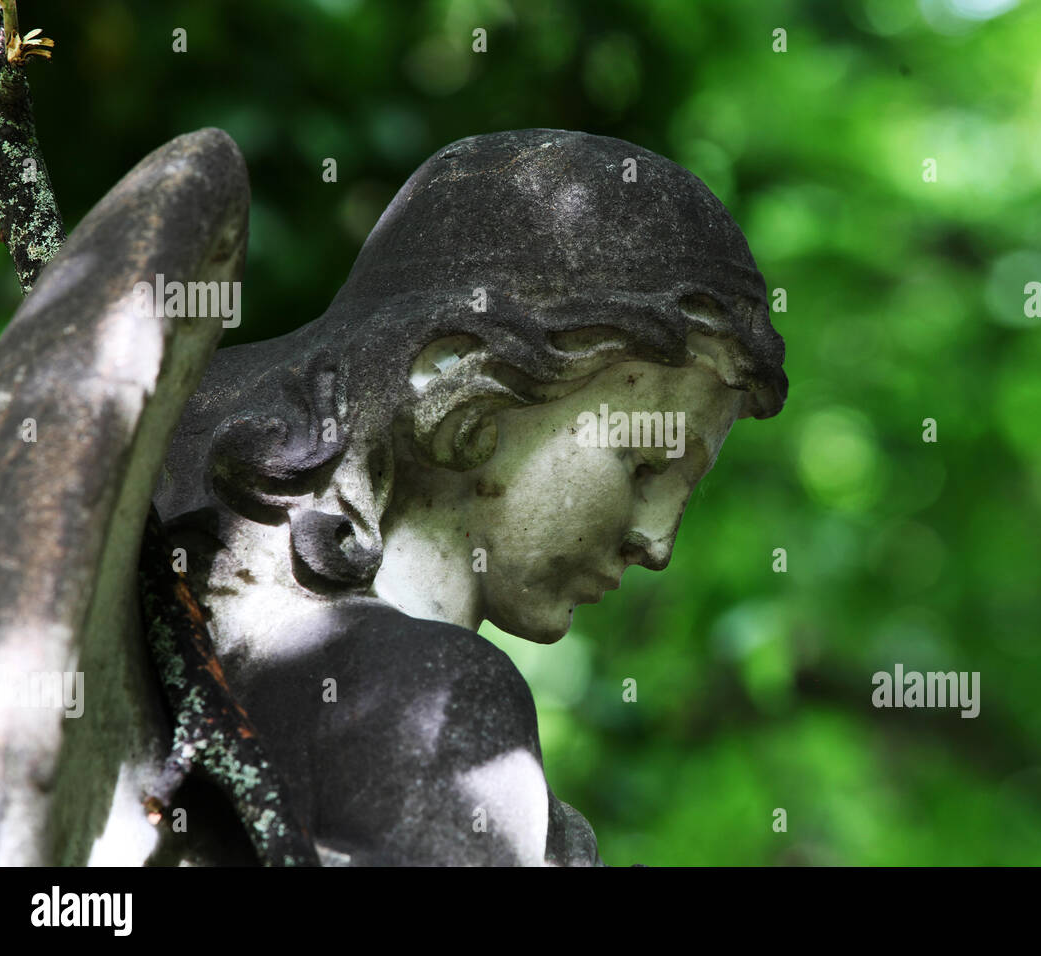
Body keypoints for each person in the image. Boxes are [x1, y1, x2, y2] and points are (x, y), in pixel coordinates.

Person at [153, 129, 787, 865]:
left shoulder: (225, 645)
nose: (659, 543)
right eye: (643, 466)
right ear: (458, 385)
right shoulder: (440, 699)